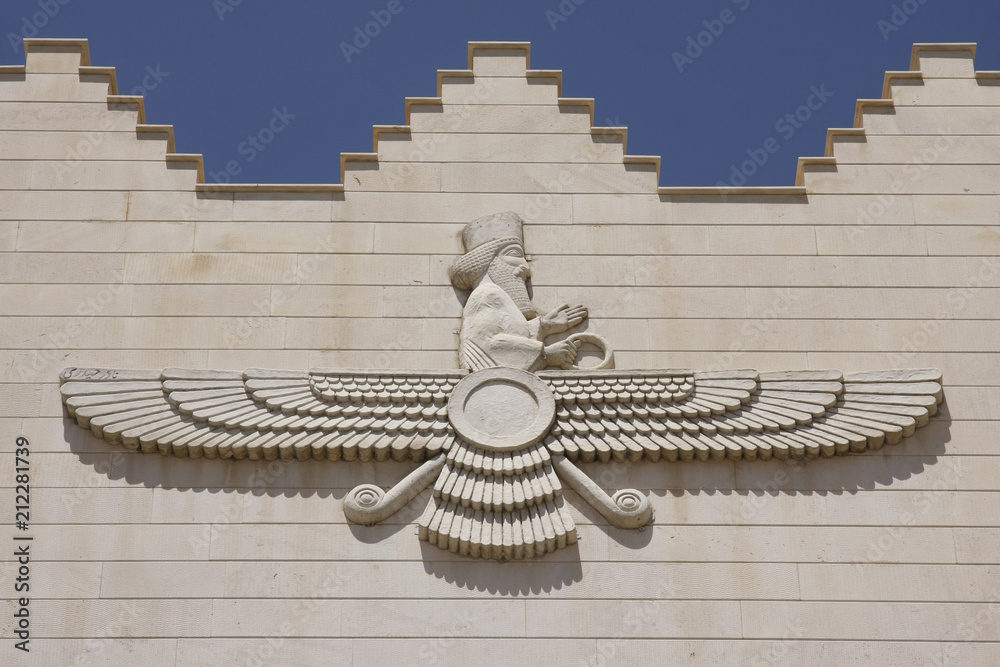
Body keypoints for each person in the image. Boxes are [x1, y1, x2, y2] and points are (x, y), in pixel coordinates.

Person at [449, 212, 588, 371]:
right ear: (487, 261)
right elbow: (484, 344)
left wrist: (544, 326)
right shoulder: (487, 294)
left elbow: (505, 334)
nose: (526, 268)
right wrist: (545, 355)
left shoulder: (496, 296)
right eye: (514, 254)